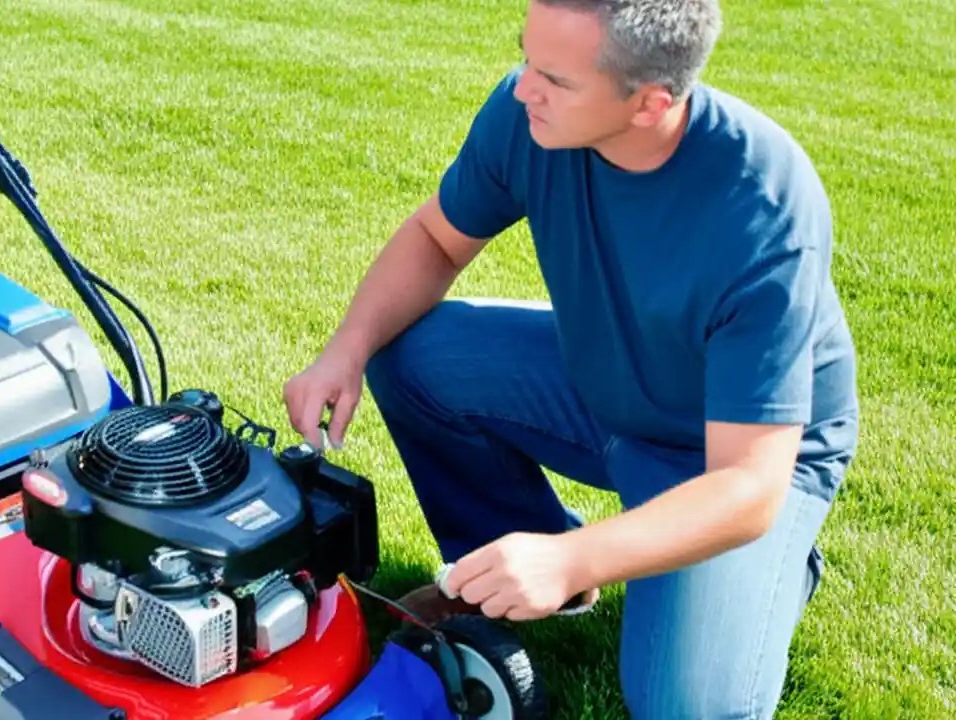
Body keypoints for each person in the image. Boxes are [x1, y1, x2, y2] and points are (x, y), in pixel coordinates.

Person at [282, 0, 859, 717]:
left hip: (730, 454)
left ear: (649, 103)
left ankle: (771, 571)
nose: (525, 86)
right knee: (414, 354)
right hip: (600, 376)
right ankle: (507, 573)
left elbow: (748, 484)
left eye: (554, 77)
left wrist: (579, 560)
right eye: (526, 57)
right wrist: (346, 348)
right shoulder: (526, 116)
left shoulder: (763, 211)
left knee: (690, 706)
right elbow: (436, 237)